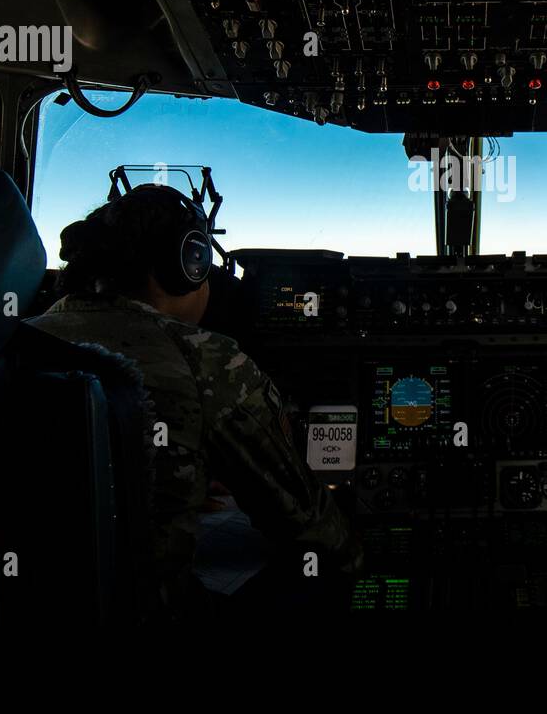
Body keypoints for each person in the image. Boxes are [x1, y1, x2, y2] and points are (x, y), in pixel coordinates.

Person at [28, 184, 361, 617]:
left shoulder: (13, 342)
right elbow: (308, 525)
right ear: (187, 264)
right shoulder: (204, 358)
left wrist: (176, 481)